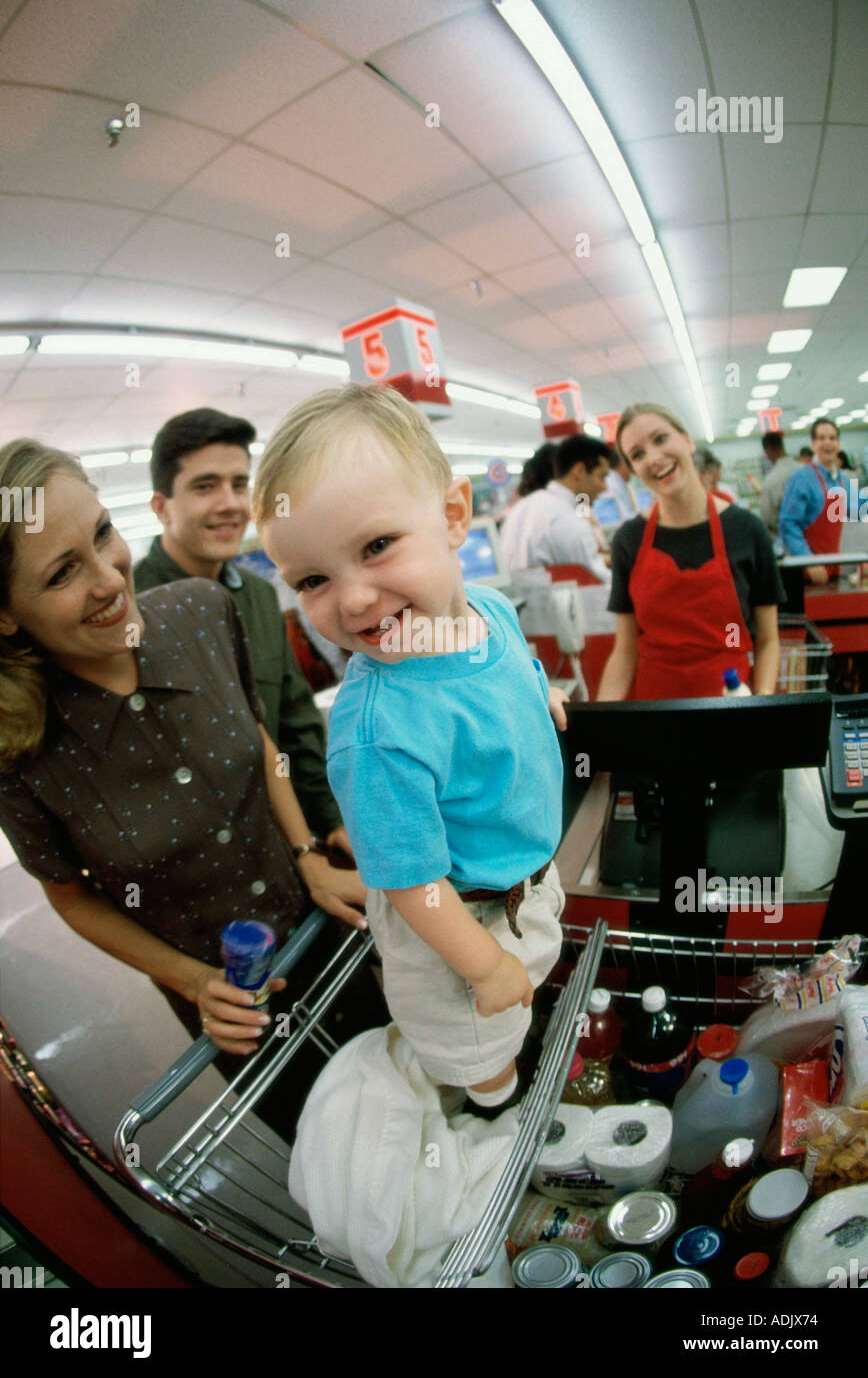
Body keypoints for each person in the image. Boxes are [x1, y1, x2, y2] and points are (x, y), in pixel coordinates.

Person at [0, 441, 370, 1137]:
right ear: (5, 614)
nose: (110, 578)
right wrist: (189, 980)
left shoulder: (203, 610)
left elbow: (261, 743)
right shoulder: (18, 752)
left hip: (325, 926)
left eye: (103, 534)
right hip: (231, 995)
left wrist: (306, 856)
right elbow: (69, 891)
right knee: (328, 1143)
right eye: (61, 574)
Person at [252, 384, 569, 1118]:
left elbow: (510, 659)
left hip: (524, 886)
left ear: (454, 517)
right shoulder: (378, 733)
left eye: (376, 547)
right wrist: (485, 966)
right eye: (314, 580)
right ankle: (496, 1110)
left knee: (517, 1007)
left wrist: (538, 690)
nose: (355, 599)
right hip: (454, 930)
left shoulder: (486, 608)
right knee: (481, 1049)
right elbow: (411, 884)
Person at [134, 407, 351, 856]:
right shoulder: (128, 610)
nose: (231, 503)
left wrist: (330, 821)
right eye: (205, 486)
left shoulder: (259, 595)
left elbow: (294, 719)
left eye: (238, 484)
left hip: (290, 843)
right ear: (161, 507)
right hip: (198, 862)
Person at [597, 404, 785, 700]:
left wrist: (759, 702)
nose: (654, 458)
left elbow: (768, 639)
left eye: (660, 439)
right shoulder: (628, 540)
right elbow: (625, 651)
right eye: (637, 454)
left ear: (686, 440)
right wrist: (599, 727)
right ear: (632, 470)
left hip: (731, 705)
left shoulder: (747, 530)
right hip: (656, 713)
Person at [499, 434, 611, 581]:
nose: (605, 487)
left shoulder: (521, 507)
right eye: (601, 477)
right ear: (580, 471)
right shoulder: (570, 521)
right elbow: (601, 585)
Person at [778, 417, 848, 583]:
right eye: (821, 438)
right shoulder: (801, 478)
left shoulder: (842, 480)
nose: (827, 443)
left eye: (832, 438)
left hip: (834, 567)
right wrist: (808, 561)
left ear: (838, 443)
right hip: (807, 573)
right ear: (813, 444)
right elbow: (788, 524)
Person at [758, 430, 796, 536]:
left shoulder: (771, 479)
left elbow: (767, 517)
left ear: (768, 450)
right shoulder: (805, 470)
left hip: (786, 536)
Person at [605, 445, 637, 520]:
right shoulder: (612, 484)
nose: (633, 468)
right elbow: (623, 517)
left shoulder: (616, 481)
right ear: (623, 463)